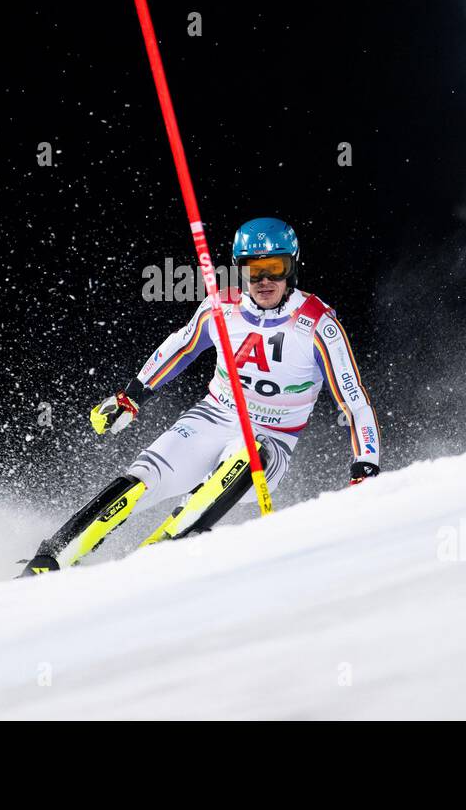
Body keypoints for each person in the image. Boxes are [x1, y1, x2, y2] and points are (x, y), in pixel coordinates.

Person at [20, 216, 381, 575]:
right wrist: (131, 397)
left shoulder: (318, 324)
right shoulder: (222, 308)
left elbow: (354, 403)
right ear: (241, 271)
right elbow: (180, 348)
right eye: (254, 271)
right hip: (213, 417)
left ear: (293, 267)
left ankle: (165, 552)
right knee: (145, 476)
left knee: (248, 453)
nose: (265, 281)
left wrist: (365, 468)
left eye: (275, 267)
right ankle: (52, 558)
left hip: (272, 439)